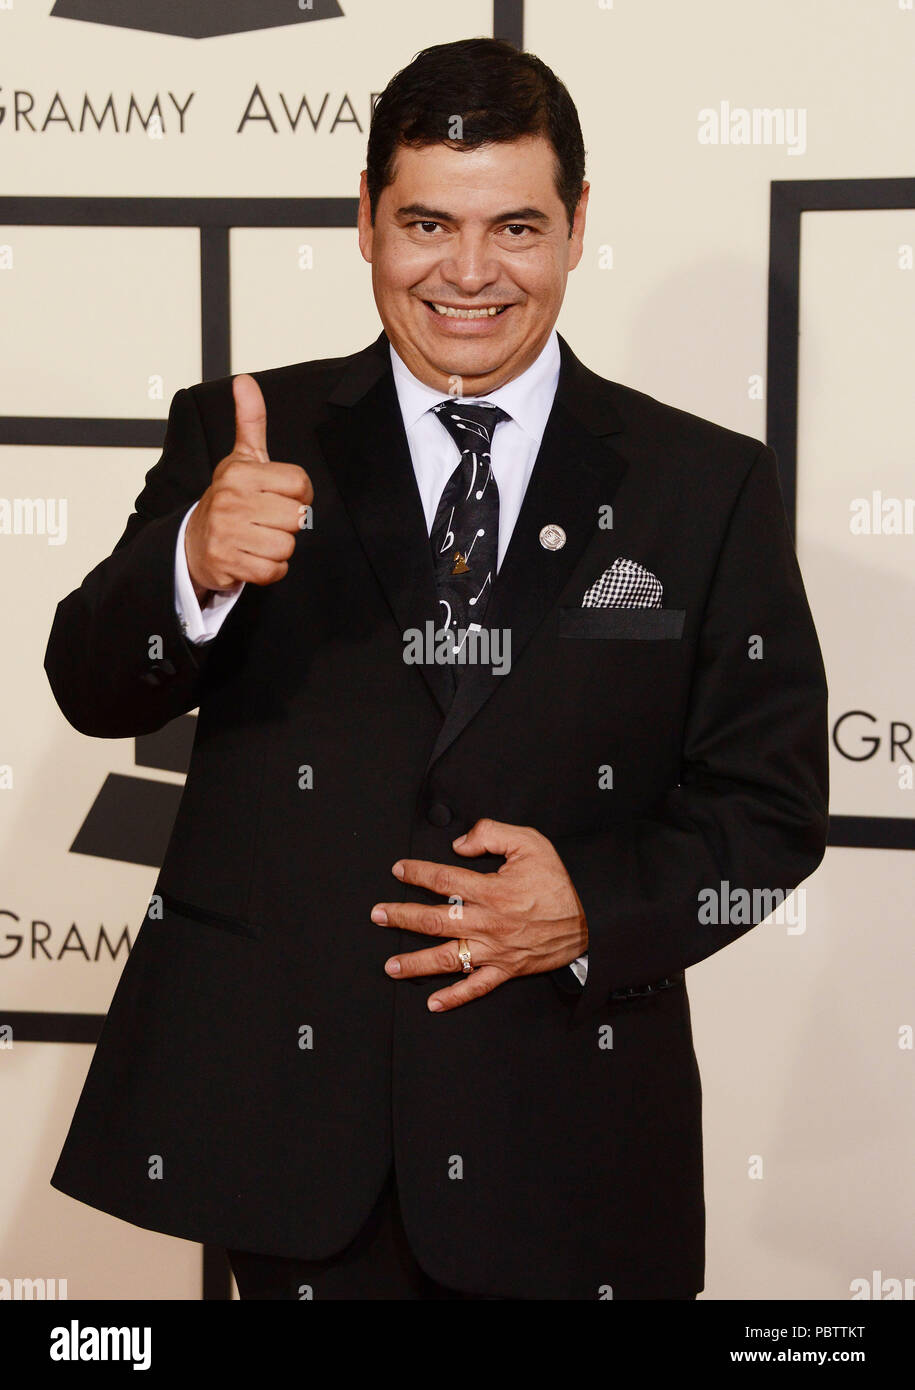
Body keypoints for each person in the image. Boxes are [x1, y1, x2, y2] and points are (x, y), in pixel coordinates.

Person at [44, 37, 829, 1300]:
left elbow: (773, 805)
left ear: (578, 224)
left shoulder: (707, 483)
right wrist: (194, 560)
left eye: (516, 225)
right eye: (425, 223)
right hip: (301, 1153)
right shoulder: (242, 434)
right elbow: (90, 684)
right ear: (365, 221)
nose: (469, 274)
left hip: (572, 1142)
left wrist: (594, 905)